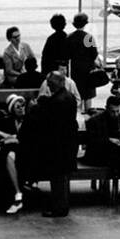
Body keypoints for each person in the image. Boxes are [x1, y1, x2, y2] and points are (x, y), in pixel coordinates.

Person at [27, 72, 79, 217]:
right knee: (60, 178)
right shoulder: (68, 97)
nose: (48, 84)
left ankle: (59, 208)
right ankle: (61, 205)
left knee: (57, 178)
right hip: (66, 145)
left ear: (57, 82)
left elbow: (46, 120)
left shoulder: (58, 101)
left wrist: (33, 108)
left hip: (58, 147)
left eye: (50, 82)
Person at [67, 13, 103, 103]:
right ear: (85, 24)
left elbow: (67, 54)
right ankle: (87, 113)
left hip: (75, 69)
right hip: (88, 69)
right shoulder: (88, 37)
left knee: (77, 93)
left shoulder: (70, 37)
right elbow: (94, 54)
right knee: (88, 95)